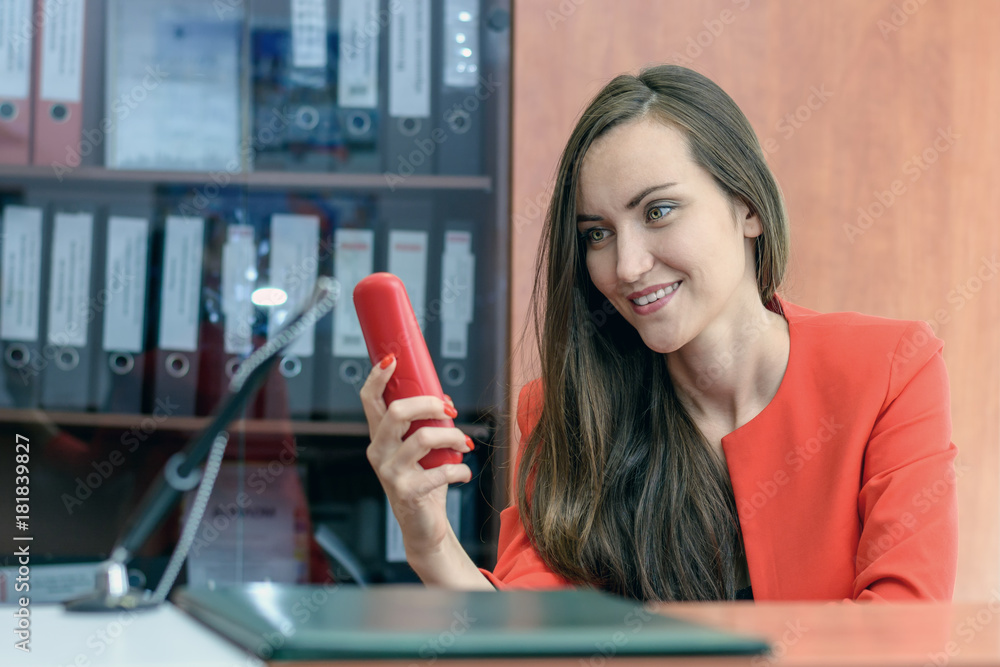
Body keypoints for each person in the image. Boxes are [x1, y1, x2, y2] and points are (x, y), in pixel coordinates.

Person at [361, 65, 958, 602]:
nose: (626, 266)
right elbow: (531, 634)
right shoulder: (571, 410)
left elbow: (900, 630)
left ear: (748, 207)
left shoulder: (890, 369)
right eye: (597, 233)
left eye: (658, 211)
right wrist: (429, 539)